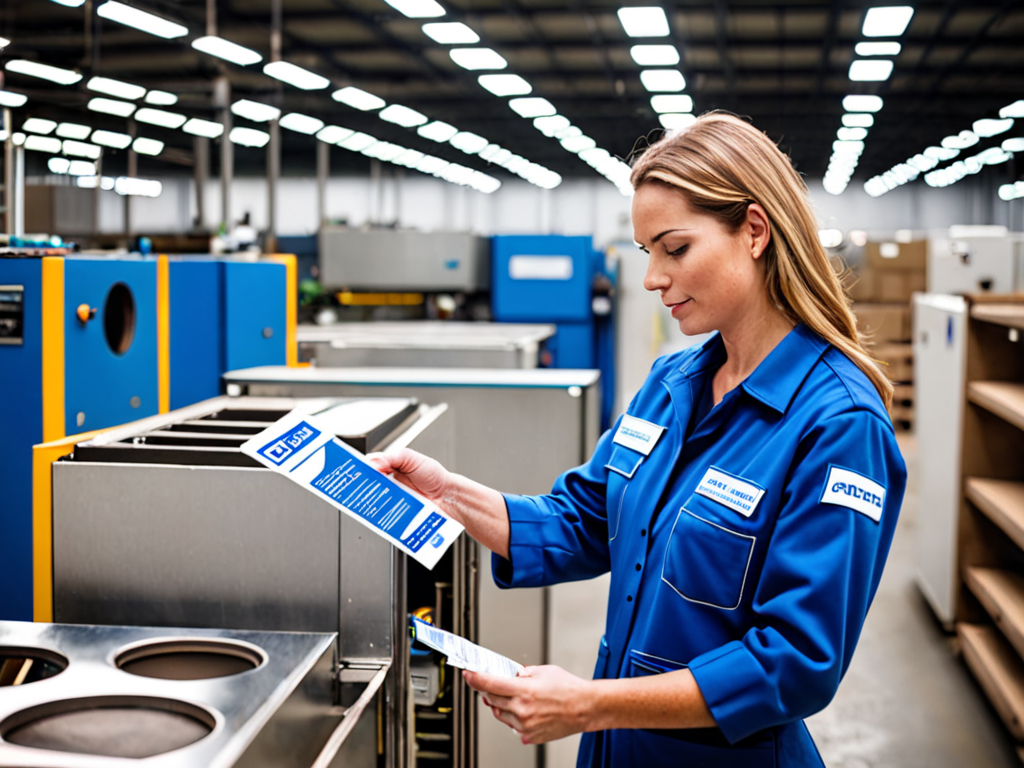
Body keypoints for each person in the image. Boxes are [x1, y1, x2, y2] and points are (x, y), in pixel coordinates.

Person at [369, 112, 906, 767]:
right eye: (646, 252)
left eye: (674, 248)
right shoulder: (672, 382)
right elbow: (587, 520)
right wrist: (450, 494)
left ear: (755, 232)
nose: (652, 278)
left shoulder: (838, 425)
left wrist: (592, 704)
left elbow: (795, 662)